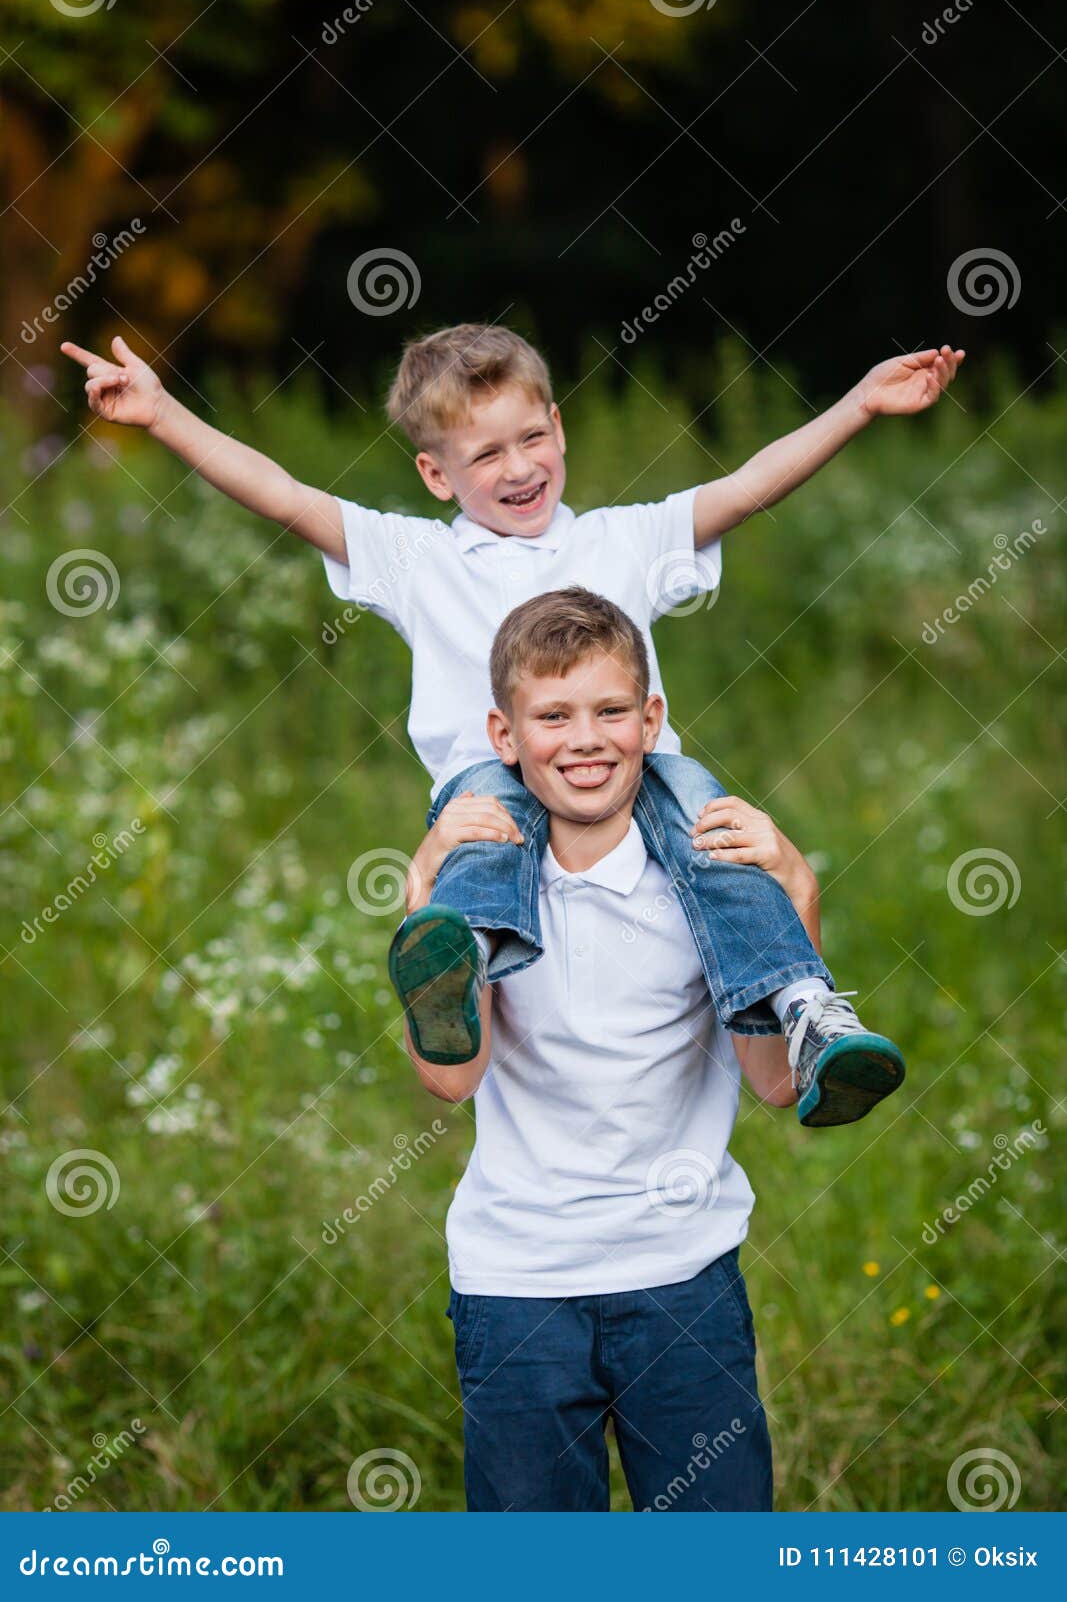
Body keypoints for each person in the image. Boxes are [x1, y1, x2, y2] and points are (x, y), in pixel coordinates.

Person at [60, 324, 963, 1122]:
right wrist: (164, 415)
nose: (519, 468)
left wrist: (857, 406)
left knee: (714, 833)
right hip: (490, 779)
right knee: (484, 841)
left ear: (560, 429)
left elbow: (748, 486)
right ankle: (458, 969)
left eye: (532, 438)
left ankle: (802, 1011)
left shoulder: (624, 539)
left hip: (635, 768)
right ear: (435, 473)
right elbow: (286, 495)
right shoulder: (418, 557)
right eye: (485, 455)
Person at [399, 588, 825, 1512]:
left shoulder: (708, 884)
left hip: (680, 1275)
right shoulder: (481, 885)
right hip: (518, 1281)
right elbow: (446, 1078)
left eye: (609, 712)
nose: (584, 739)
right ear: (504, 737)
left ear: (651, 721)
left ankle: (821, 1008)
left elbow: (776, 1084)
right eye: (552, 717)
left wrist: (794, 883)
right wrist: (422, 890)